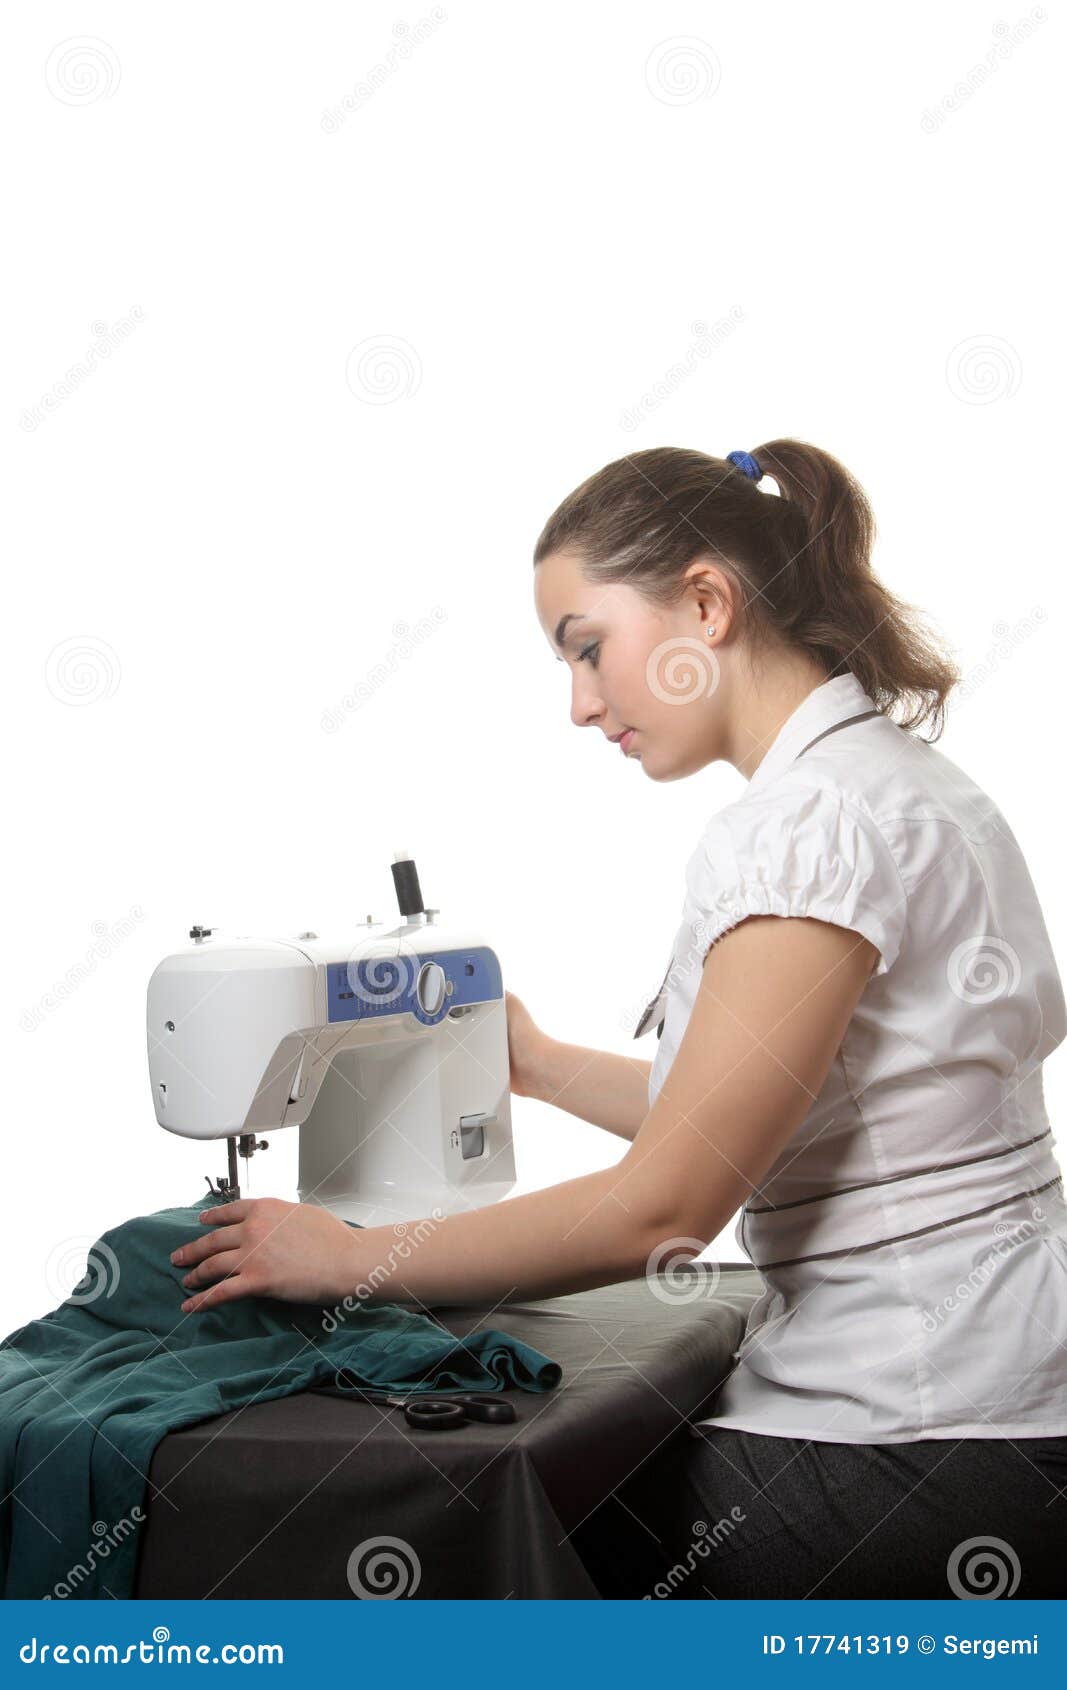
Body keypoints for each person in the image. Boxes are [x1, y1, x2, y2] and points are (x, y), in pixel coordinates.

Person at [170, 439, 1067, 1599]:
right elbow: (762, 1111)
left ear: (706, 601)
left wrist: (350, 1255)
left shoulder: (802, 829)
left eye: (586, 649)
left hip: (911, 1439)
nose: (581, 704)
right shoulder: (904, 787)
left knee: (453, 1567)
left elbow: (668, 1203)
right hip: (1001, 1409)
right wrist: (536, 1066)